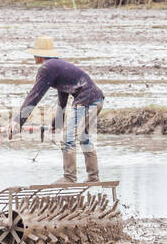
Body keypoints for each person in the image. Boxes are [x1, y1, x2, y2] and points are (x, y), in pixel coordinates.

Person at [14, 35, 105, 183]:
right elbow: (63, 98)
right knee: (84, 138)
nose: (34, 57)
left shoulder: (47, 68)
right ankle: (93, 177)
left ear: (39, 54)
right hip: (97, 99)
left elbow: (35, 96)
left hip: (86, 100)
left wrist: (18, 122)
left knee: (67, 138)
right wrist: (57, 123)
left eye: (35, 54)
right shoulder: (57, 66)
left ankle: (69, 177)